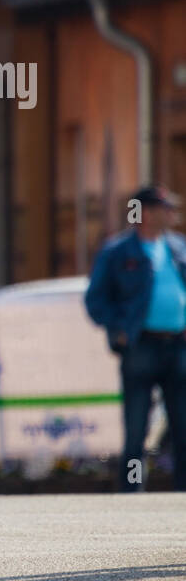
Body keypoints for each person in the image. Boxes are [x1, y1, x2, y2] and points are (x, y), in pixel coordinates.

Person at [84, 184, 186, 491]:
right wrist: (120, 330)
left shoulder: (178, 247)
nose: (173, 214)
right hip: (141, 345)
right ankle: (132, 491)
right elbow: (96, 300)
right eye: (166, 208)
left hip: (178, 345)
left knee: (183, 424)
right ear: (148, 212)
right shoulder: (118, 252)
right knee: (136, 424)